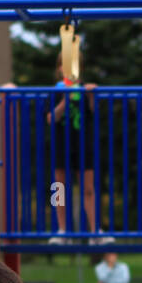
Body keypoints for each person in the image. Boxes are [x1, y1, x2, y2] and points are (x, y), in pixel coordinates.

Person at [49, 51, 100, 241]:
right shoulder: (56, 90)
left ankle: (95, 231)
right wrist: (65, 99)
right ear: (59, 68)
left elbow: (93, 112)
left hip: (82, 143)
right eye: (66, 65)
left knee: (88, 188)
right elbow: (50, 117)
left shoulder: (85, 90)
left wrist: (92, 95)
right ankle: (62, 230)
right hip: (61, 144)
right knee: (58, 188)